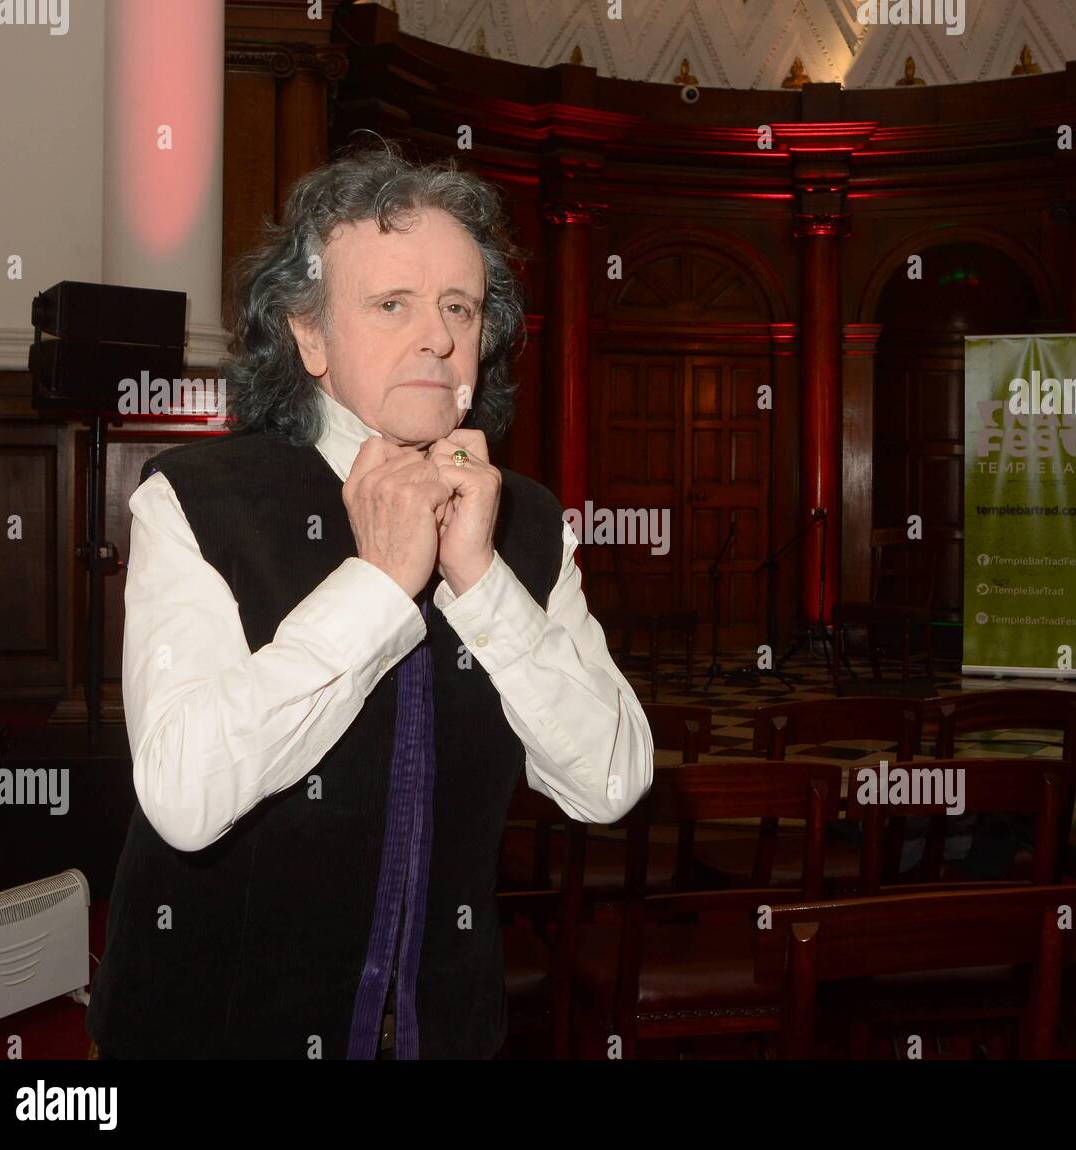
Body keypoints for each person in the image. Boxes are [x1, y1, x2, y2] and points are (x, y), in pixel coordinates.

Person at [86, 141, 655, 1059]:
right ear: (307, 334)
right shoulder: (196, 498)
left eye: (460, 308)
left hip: (443, 1029)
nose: (437, 336)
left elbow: (611, 782)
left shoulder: (530, 524)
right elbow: (184, 795)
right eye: (392, 304)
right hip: (214, 1029)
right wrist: (380, 585)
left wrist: (483, 583)